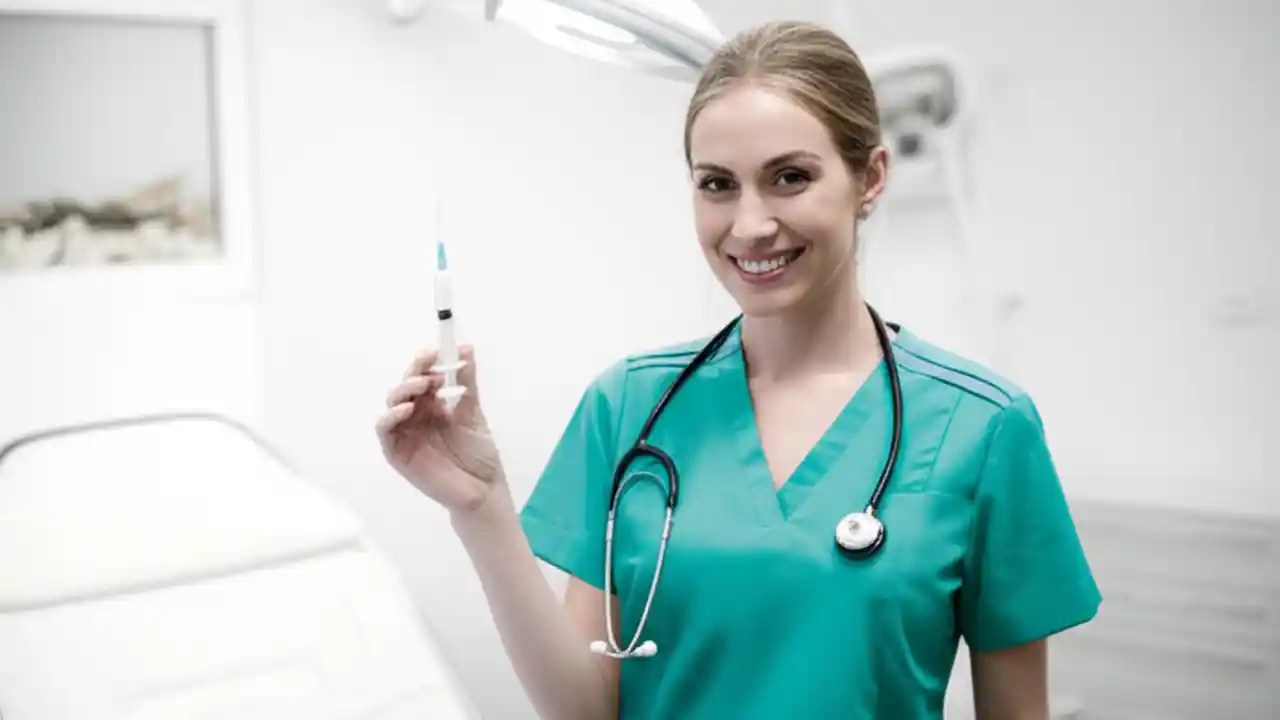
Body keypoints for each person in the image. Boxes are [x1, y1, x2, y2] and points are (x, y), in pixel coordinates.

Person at [376, 20, 1101, 720]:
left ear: (870, 178)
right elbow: (583, 711)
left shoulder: (983, 427)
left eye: (790, 177)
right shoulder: (628, 406)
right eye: (717, 184)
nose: (750, 225)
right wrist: (480, 508)